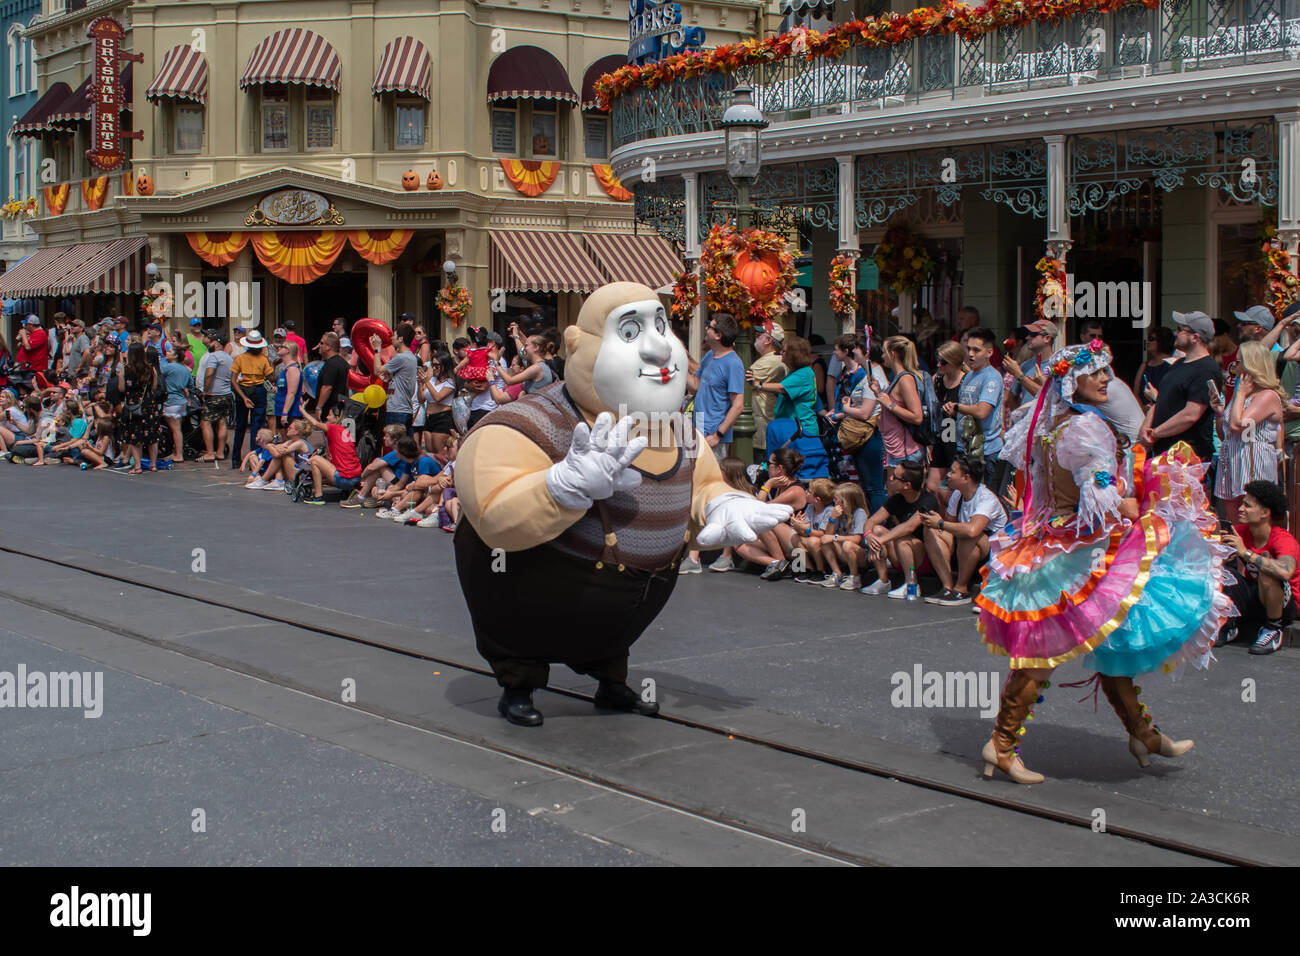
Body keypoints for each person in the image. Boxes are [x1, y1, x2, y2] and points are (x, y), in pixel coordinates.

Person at [453, 283, 791, 727]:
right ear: (580, 346)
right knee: (521, 626)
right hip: (544, 585)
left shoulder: (678, 431)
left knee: (612, 646)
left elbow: (704, 481)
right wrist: (560, 487)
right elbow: (490, 507)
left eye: (660, 325)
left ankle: (611, 680)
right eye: (630, 332)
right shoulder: (533, 421)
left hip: (632, 591)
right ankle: (519, 684)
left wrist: (722, 502)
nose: (657, 348)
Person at [977, 342, 1230, 785]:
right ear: (1072, 381)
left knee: (1110, 642)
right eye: (1096, 373)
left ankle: (1143, 735)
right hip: (1075, 552)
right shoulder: (1086, 429)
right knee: (1041, 656)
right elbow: (1101, 502)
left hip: (1059, 542)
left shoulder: (1055, 424)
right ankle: (1000, 745)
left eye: (1107, 373)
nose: (1105, 381)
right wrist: (1134, 501)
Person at [1220, 480, 1299, 656]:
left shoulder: (1283, 539)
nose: (1240, 509)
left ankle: (1273, 629)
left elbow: (1285, 571)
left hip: (1284, 607)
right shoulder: (1241, 532)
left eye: (1247, 506)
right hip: (1255, 598)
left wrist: (1246, 553)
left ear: (1264, 512)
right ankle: (1229, 624)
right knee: (1222, 571)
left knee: (1267, 568)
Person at [920, 452, 1005, 606]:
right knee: (930, 530)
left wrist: (940, 523)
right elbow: (950, 528)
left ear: (966, 478)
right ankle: (947, 586)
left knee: (968, 535)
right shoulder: (957, 495)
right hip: (965, 550)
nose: (949, 475)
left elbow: (972, 530)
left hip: (993, 555)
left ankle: (961, 589)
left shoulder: (986, 498)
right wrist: (934, 524)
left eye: (953, 472)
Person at [1212, 340, 1284, 521]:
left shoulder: (1267, 395)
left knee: (1254, 520)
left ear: (1252, 365)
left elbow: (1238, 425)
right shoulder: (1241, 394)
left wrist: (1241, 393)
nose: (1234, 368)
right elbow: (1226, 433)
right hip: (1232, 457)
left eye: (1239, 362)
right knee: (1235, 523)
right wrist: (1220, 414)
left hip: (1253, 460)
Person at [1141, 310, 1222, 460]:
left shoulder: (1206, 368)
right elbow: (1161, 401)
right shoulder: (1179, 363)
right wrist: (1146, 428)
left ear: (1195, 337)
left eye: (1180, 330)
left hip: (1186, 456)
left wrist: (1156, 432)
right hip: (1164, 451)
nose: (1175, 333)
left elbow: (1191, 414)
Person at [861, 460, 939, 597]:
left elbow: (909, 527)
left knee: (902, 538)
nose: (890, 478)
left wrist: (881, 540)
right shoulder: (897, 499)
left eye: (894, 477)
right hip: (900, 555)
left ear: (907, 485)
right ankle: (883, 581)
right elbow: (872, 521)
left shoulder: (928, 500)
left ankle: (912, 585)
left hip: (923, 558)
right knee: (877, 531)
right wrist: (869, 535)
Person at [945, 327, 1004, 492]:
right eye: (968, 348)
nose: (970, 354)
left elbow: (982, 411)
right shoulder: (969, 375)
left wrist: (957, 407)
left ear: (989, 352)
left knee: (983, 501)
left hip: (985, 452)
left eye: (976, 350)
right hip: (965, 449)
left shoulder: (992, 377)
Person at [689, 313, 745, 460]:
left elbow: (738, 405)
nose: (706, 327)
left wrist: (718, 435)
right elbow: (695, 387)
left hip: (713, 436)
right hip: (697, 429)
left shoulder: (733, 363)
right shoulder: (709, 356)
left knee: (710, 479)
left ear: (718, 335)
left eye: (709, 325)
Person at [871, 335, 926, 469]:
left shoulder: (905, 379)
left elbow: (917, 417)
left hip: (906, 450)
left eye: (884, 352)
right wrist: (878, 393)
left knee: (899, 489)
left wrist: (890, 404)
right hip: (896, 449)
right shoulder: (897, 378)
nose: (882, 356)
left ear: (892, 354)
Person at [300, 404, 364, 505]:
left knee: (314, 460)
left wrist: (302, 410)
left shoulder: (333, 428)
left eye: (329, 415)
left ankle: (318, 496)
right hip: (356, 477)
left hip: (344, 478)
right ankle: (350, 489)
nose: (327, 417)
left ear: (337, 418)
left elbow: (315, 423)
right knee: (326, 468)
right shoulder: (346, 431)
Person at [230, 330, 273, 466]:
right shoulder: (263, 359)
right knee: (256, 426)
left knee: (240, 426)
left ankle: (236, 458)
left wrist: (243, 397)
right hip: (259, 390)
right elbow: (270, 377)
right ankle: (254, 458)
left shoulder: (240, 358)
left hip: (243, 389)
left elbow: (233, 380)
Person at [116, 343, 161, 474]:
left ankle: (137, 466)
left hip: (133, 406)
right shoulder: (151, 369)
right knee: (152, 436)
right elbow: (154, 387)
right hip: (149, 405)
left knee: (135, 438)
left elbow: (121, 388)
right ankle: (153, 465)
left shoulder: (126, 369)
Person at [816, 482, 870, 591]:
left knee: (848, 545)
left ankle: (855, 577)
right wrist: (832, 519)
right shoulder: (838, 513)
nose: (834, 502)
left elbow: (857, 539)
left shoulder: (859, 513)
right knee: (825, 542)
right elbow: (828, 535)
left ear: (846, 501)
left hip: (860, 554)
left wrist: (835, 538)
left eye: (836, 499)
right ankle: (837, 574)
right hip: (845, 553)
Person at [749, 322, 787, 465]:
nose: (756, 338)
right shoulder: (767, 359)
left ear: (768, 340)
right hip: (762, 424)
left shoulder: (771, 361)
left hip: (763, 424)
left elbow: (742, 381)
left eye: (759, 335)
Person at [790, 477, 836, 583]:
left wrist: (805, 530)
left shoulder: (829, 511)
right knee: (795, 537)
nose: (805, 492)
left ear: (817, 499)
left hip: (826, 545)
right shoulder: (810, 508)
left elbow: (823, 534)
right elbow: (804, 530)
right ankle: (808, 568)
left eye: (809, 491)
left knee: (813, 540)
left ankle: (821, 571)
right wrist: (797, 525)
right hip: (812, 542)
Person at [1004, 319, 1056, 412]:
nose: (1027, 337)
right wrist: (1019, 417)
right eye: (1027, 334)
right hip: (1026, 424)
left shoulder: (1058, 366)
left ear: (1047, 338)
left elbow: (1048, 397)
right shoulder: (1025, 365)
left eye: (1033, 335)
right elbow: (1012, 395)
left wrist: (1019, 375)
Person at [197, 330, 234, 462]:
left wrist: (205, 391)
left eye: (212, 341)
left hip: (214, 394)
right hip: (226, 394)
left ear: (217, 343)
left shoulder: (214, 356)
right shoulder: (228, 357)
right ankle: (220, 452)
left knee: (205, 422)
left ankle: (210, 452)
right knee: (222, 422)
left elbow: (209, 374)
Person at [374, 324, 419, 429]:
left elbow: (377, 370)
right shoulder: (411, 357)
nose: (391, 338)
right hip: (405, 409)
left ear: (400, 339)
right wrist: (389, 379)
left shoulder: (401, 357)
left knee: (394, 443)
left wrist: (377, 349)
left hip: (397, 410)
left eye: (394, 335)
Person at [159, 346, 192, 463]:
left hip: (172, 400)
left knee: (175, 429)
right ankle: (176, 452)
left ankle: (179, 454)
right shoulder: (185, 369)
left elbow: (159, 378)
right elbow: (190, 384)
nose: (167, 353)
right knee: (177, 428)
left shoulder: (167, 367)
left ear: (176, 356)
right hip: (182, 401)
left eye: (170, 352)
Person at [1133, 325, 1176, 410]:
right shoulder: (1145, 365)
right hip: (1145, 413)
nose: (1148, 342)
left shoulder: (1173, 364)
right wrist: (1142, 408)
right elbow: (1136, 392)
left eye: (1152, 339)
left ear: (1162, 341)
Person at [312, 332, 350, 420]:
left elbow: (327, 387)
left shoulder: (331, 364)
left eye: (321, 343)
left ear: (329, 347)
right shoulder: (343, 362)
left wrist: (319, 407)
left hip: (331, 410)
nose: (319, 345)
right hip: (340, 408)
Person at [272, 341, 303, 429]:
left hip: (290, 412)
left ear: (288, 351)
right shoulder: (286, 369)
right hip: (280, 408)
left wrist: (285, 413)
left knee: (291, 439)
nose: (279, 348)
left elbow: (292, 393)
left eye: (282, 346)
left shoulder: (292, 369)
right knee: (286, 438)